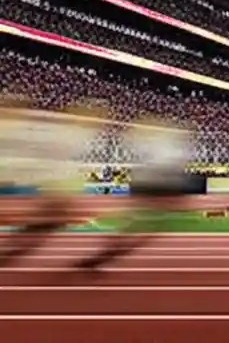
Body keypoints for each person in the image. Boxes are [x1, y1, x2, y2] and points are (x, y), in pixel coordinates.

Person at [75, 116, 194, 273]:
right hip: (154, 185)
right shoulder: (164, 146)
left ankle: (109, 252)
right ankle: (109, 252)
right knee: (144, 226)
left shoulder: (167, 146)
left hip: (155, 184)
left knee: (142, 226)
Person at [0, 98, 106, 266]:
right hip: (46, 182)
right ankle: (12, 251)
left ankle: (13, 250)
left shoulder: (66, 132)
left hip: (52, 183)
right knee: (49, 220)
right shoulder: (55, 130)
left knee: (50, 221)